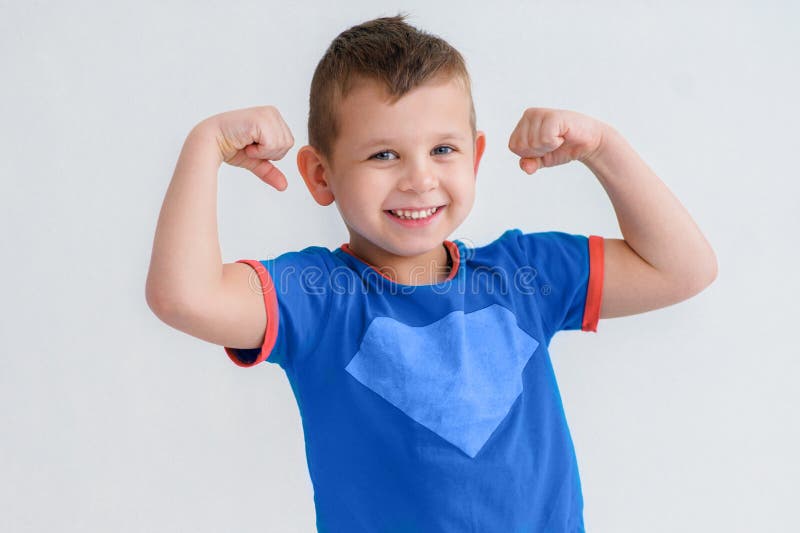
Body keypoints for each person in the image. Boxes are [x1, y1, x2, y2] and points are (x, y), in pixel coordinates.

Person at [145, 13, 717, 532]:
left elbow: (682, 269)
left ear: (476, 156)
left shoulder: (522, 276)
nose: (419, 179)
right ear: (320, 176)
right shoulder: (316, 298)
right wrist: (206, 145)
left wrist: (602, 146)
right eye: (384, 155)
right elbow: (184, 296)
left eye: (443, 149)